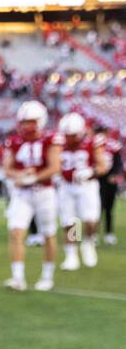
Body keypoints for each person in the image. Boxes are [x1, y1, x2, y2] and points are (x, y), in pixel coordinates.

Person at [3, 101, 63, 292]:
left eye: (31, 122)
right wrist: (21, 176)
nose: (27, 126)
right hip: (24, 192)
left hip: (52, 190)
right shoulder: (15, 141)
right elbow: (8, 168)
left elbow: (55, 167)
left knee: (58, 229)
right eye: (24, 122)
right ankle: (18, 277)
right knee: (16, 231)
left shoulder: (52, 139)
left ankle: (79, 247)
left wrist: (34, 177)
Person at [56, 112, 108, 271]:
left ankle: (88, 243)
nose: (69, 139)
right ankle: (71, 255)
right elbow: (54, 163)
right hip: (67, 186)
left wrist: (90, 172)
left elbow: (102, 166)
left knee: (90, 219)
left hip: (87, 186)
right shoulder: (59, 143)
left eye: (72, 135)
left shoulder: (92, 143)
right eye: (67, 135)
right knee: (71, 222)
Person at [97, 124, 122, 245]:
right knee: (92, 211)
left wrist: (115, 174)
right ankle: (81, 239)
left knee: (108, 208)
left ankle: (108, 233)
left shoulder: (113, 145)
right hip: (90, 182)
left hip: (106, 180)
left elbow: (118, 163)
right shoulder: (88, 144)